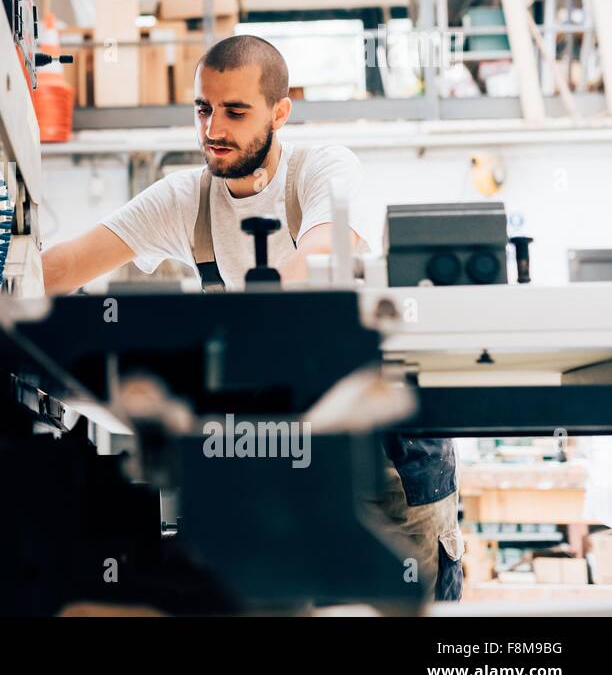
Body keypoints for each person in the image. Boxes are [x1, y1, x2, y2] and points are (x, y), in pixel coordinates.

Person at [41, 34, 463, 601]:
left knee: (399, 601)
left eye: (235, 111)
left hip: (382, 457)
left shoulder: (323, 171)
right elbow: (66, 265)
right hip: (273, 447)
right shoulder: (184, 199)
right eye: (203, 109)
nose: (213, 128)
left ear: (280, 112)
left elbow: (311, 269)